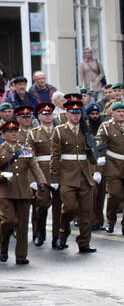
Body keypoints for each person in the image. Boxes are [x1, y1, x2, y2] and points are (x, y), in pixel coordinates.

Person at [50, 94, 100, 253]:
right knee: (69, 208)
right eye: (73, 113)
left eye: (78, 113)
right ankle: (63, 233)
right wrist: (54, 177)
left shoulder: (86, 130)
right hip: (67, 174)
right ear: (67, 113)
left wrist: (93, 149)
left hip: (84, 174)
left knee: (86, 211)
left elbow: (92, 157)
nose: (76, 116)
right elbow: (55, 156)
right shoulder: (59, 131)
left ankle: (84, 242)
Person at [0, 115, 44, 265]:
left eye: (15, 131)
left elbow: (35, 167)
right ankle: (3, 246)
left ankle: (21, 255)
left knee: (23, 225)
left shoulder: (25, 151)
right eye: (9, 131)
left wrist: (41, 182)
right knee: (8, 221)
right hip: (5, 192)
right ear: (3, 134)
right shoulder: (0, 150)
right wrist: (2, 176)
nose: (13, 133)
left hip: (23, 191)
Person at [96, 101, 124, 235]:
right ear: (112, 114)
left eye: (123, 111)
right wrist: (99, 166)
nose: (121, 114)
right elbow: (100, 146)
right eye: (118, 112)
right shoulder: (106, 126)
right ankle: (111, 221)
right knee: (114, 194)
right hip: (113, 164)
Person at [27, 103, 58, 247]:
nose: (48, 116)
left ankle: (57, 236)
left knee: (60, 206)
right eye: (45, 114)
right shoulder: (33, 133)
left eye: (50, 114)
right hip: (41, 173)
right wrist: (33, 178)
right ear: (39, 117)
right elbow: (30, 158)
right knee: (43, 204)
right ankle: (40, 232)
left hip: (58, 172)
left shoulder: (59, 131)